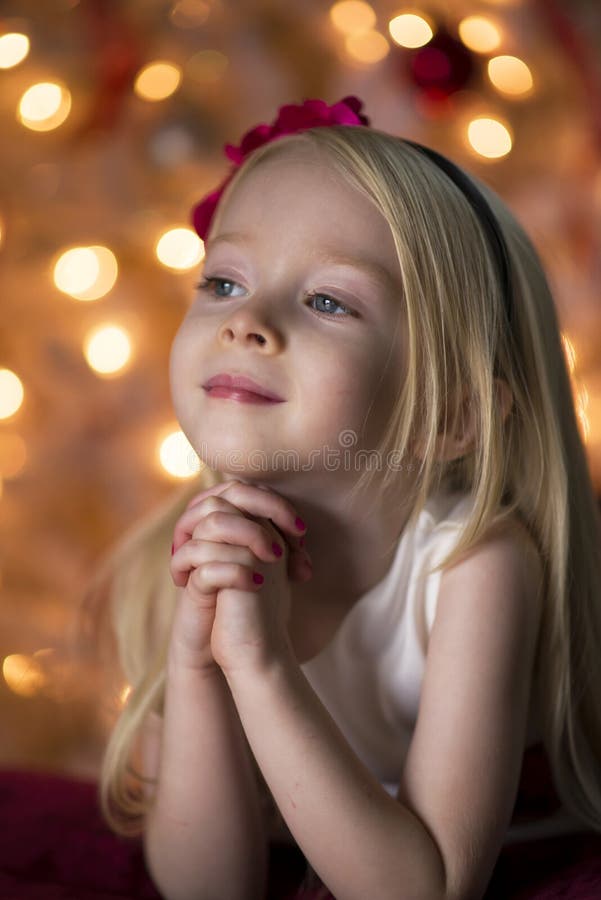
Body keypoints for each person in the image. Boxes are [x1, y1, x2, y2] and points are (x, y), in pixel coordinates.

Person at [89, 96, 601, 899]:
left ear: (452, 414)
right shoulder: (184, 550)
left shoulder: (477, 563)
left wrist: (257, 665)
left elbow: (425, 889)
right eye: (224, 281)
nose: (246, 322)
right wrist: (198, 666)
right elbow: (205, 889)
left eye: (327, 300)